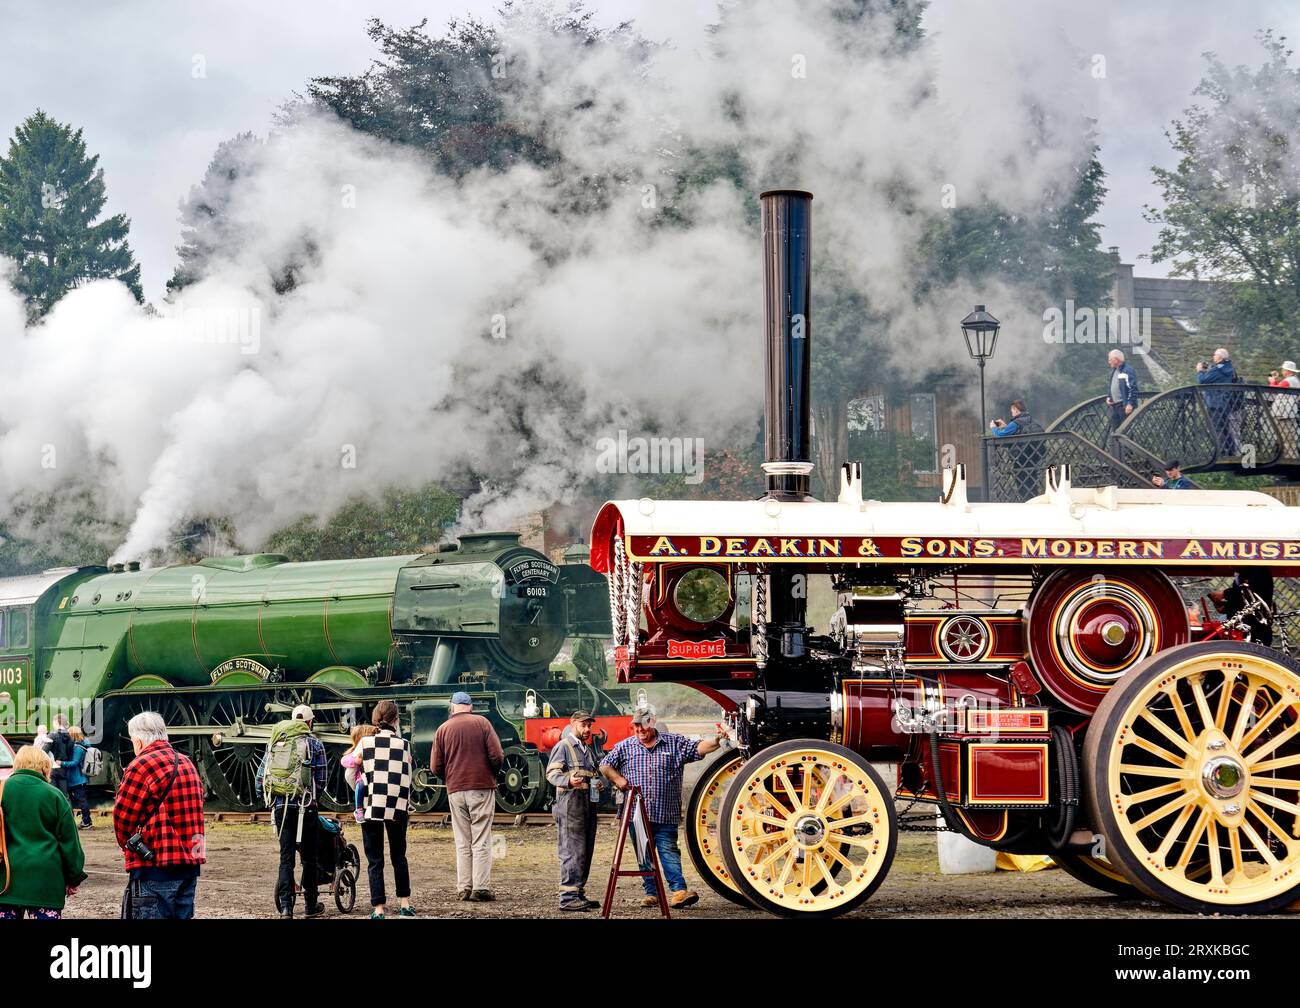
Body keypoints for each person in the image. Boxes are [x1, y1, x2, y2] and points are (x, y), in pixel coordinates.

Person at [600, 705, 726, 909]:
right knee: (644, 853)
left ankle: (679, 891)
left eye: (642, 727)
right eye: (636, 727)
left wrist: (718, 740)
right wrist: (618, 779)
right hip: (636, 814)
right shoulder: (625, 746)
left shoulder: (674, 743)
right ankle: (652, 893)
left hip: (665, 812)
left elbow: (699, 748)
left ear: (652, 722)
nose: (639, 731)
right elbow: (605, 765)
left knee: (668, 851)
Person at [113, 711, 205, 919]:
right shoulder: (187, 763)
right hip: (189, 865)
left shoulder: (140, 766)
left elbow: (122, 819)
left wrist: (129, 844)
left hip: (154, 866)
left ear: (137, 740)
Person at [256, 703, 328, 919]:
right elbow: (321, 781)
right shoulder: (315, 743)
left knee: (286, 858)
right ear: (310, 722)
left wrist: (270, 798)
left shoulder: (277, 741)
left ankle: (286, 907)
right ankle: (310, 906)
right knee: (309, 858)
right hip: (307, 808)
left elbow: (261, 777)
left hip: (281, 807)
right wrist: (312, 799)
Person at [431, 690, 504, 903]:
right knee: (481, 838)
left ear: (452, 707)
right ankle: (480, 887)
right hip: (481, 787)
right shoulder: (482, 723)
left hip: (455, 790)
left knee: (463, 841)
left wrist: (451, 776)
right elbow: (497, 755)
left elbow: (435, 766)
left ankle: (464, 888)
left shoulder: (443, 729)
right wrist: (491, 773)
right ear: (470, 706)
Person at [0, 745, 86, 919]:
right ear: (45, 767)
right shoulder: (55, 795)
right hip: (46, 882)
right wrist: (74, 877)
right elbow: (70, 843)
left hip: (5, 881)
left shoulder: (2, 791)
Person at [357, 700, 414, 918]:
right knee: (399, 856)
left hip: (372, 806)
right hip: (397, 807)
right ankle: (405, 904)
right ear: (396, 720)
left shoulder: (365, 743)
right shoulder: (404, 744)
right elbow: (408, 779)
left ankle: (378, 908)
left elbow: (354, 768)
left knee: (375, 859)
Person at [545, 710, 604, 911]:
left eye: (589, 726)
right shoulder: (563, 746)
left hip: (587, 804)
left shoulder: (586, 749)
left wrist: (598, 784)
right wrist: (568, 781)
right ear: (572, 724)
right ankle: (567, 897)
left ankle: (577, 892)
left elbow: (592, 774)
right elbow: (552, 774)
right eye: (583, 725)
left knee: (585, 849)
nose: (587, 729)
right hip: (570, 803)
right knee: (571, 849)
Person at [1197, 347, 1241, 454]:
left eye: (1215, 355)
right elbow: (1216, 378)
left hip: (1214, 402)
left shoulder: (1218, 369)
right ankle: (1231, 450)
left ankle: (1222, 452)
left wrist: (1200, 371)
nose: (1213, 356)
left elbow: (1203, 381)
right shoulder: (1229, 368)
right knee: (1225, 427)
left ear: (1220, 357)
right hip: (1225, 403)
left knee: (1217, 427)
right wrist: (1208, 371)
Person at [341, 723, 378, 825]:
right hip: (362, 778)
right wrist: (355, 760)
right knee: (361, 784)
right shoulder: (355, 751)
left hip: (374, 777)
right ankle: (359, 809)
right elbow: (344, 760)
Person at [64, 726, 93, 829]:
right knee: (79, 800)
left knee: (82, 801)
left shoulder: (78, 748)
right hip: (76, 778)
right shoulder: (81, 745)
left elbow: (74, 763)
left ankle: (87, 821)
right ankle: (86, 821)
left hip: (77, 779)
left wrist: (61, 763)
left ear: (72, 734)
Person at [1105, 350, 1140, 430]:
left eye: (1110, 359)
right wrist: (1109, 397)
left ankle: (1125, 443)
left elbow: (1133, 388)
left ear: (1116, 360)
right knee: (1115, 431)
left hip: (1124, 406)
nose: (1109, 361)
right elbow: (1113, 386)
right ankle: (1116, 443)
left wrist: (1130, 404)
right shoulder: (1114, 371)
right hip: (1115, 406)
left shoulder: (1128, 370)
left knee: (1125, 432)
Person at [47, 714, 73, 801]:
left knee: (52, 795)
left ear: (57, 722)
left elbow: (43, 752)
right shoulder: (70, 737)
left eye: (53, 722)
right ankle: (69, 814)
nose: (53, 725)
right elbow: (70, 754)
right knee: (65, 796)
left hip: (53, 769)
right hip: (64, 768)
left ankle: (54, 814)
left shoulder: (52, 736)